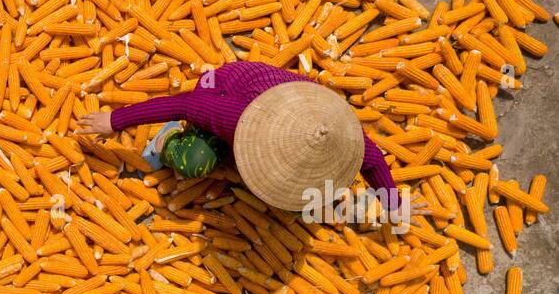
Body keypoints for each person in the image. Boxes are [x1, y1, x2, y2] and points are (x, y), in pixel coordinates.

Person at [75, 61, 402, 215]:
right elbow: (181, 103)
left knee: (315, 197)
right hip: (223, 88)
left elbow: (372, 162)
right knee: (198, 159)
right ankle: (167, 142)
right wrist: (115, 120)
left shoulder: (338, 130)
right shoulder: (232, 116)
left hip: (289, 100)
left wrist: (394, 204)